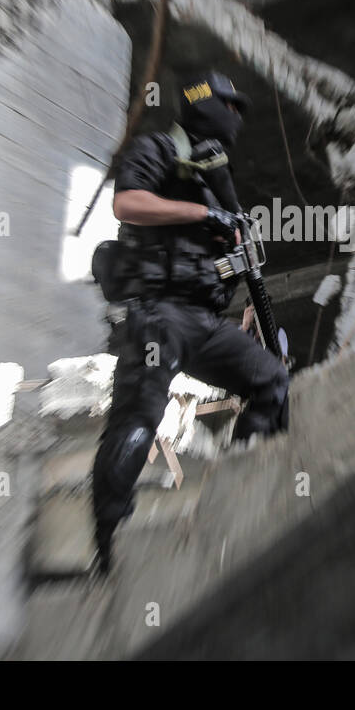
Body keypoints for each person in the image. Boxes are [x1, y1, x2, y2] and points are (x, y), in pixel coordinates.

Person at [92, 72, 290, 574]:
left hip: (207, 320)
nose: (237, 118)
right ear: (205, 104)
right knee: (139, 413)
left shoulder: (216, 181)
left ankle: (240, 488)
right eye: (231, 106)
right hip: (159, 313)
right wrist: (204, 215)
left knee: (271, 379)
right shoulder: (159, 149)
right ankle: (110, 538)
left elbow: (225, 251)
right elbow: (127, 204)